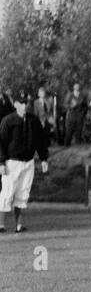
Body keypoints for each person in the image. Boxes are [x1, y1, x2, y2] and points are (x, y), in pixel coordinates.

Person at [0, 92, 51, 232]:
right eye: (22, 103)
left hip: (28, 162)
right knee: (7, 192)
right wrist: (1, 163)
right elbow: (1, 143)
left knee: (23, 193)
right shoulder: (8, 121)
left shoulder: (33, 121)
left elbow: (41, 141)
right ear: (15, 104)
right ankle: (1, 225)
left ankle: (19, 225)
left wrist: (44, 159)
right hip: (12, 162)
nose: (25, 105)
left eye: (26, 103)